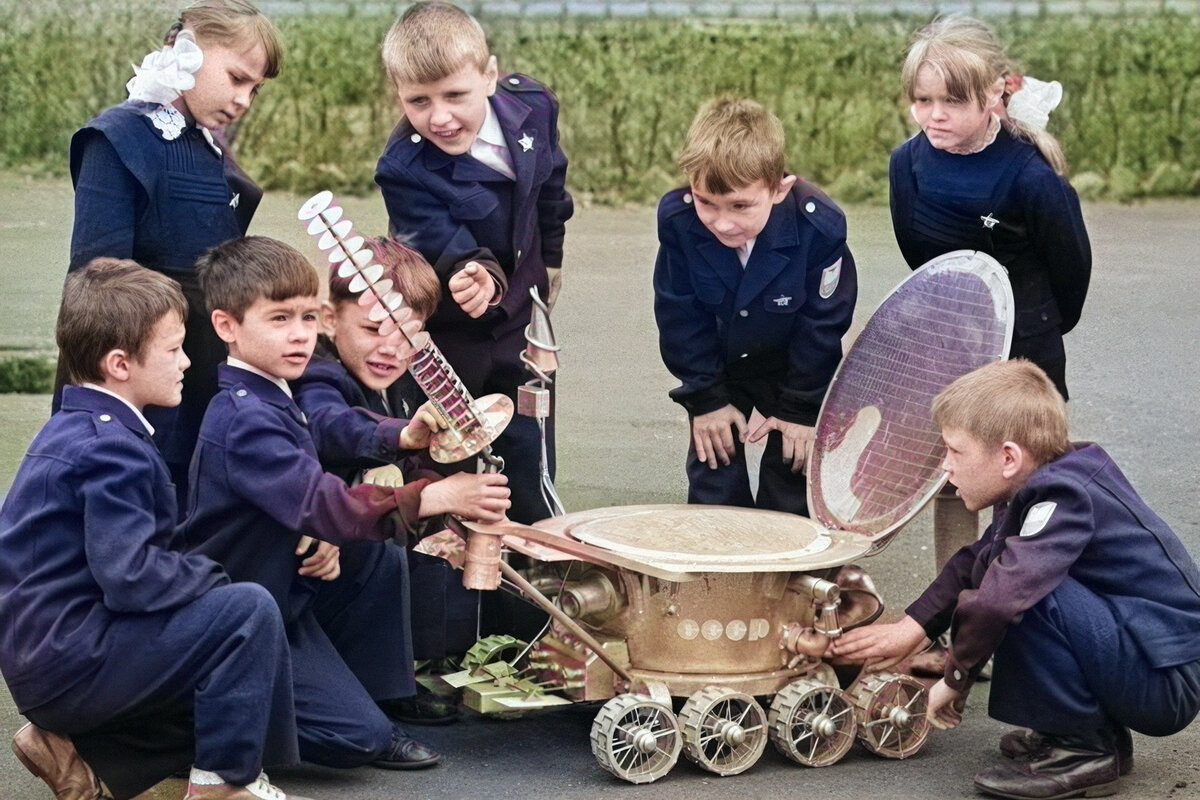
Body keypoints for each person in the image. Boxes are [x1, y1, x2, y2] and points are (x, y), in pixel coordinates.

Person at [179, 236, 506, 772]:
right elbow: (325, 461)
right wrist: (434, 493)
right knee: (355, 738)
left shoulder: (273, 392)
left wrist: (400, 444)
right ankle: (175, 719)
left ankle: (376, 695)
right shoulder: (247, 414)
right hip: (244, 617)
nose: (300, 335)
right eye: (280, 319)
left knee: (372, 553)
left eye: (308, 318)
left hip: (283, 584)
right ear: (226, 327)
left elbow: (313, 480)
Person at [0, 260, 301, 800]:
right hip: (70, 662)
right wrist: (212, 580)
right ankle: (223, 787)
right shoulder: (112, 448)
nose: (188, 362)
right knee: (246, 612)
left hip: (45, 656)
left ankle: (80, 757)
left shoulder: (73, 428)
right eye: (174, 350)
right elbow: (130, 577)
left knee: (210, 639)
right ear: (120, 364)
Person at [831, 360, 1200, 800]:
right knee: (1007, 575)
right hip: (1139, 655)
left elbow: (997, 599)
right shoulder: (1044, 481)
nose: (945, 467)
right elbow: (975, 559)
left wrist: (955, 677)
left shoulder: (1065, 494)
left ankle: (1084, 751)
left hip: (1165, 678)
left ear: (1008, 457)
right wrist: (910, 629)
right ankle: (1084, 733)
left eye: (955, 451)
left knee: (1020, 592)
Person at [62, 0, 283, 502]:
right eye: (236, 77)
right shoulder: (118, 138)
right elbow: (97, 283)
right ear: (183, 48)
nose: (245, 99)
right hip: (132, 372)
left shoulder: (210, 152)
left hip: (202, 371)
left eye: (255, 89)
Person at [294, 236, 510, 723]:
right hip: (315, 550)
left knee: (438, 531)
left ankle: (419, 661)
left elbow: (410, 465)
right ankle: (384, 689)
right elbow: (333, 427)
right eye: (372, 328)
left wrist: (446, 496)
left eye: (408, 336)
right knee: (394, 542)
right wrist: (408, 452)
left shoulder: (392, 377)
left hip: (354, 531)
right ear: (330, 319)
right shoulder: (320, 375)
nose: (390, 349)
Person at [375, 0, 574, 525]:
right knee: (449, 467)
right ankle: (454, 595)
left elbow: (551, 184)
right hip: (449, 338)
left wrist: (550, 259)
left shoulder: (533, 105)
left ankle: (532, 588)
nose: (439, 116)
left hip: (522, 329)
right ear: (398, 94)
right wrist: (477, 276)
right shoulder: (402, 166)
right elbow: (443, 244)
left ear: (489, 75)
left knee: (530, 466)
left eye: (455, 95)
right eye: (418, 101)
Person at [652, 97, 857, 514]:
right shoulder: (680, 222)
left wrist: (802, 408)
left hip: (793, 368)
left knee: (794, 470)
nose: (722, 222)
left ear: (779, 189)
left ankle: (791, 573)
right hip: (720, 365)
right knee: (714, 468)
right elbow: (679, 316)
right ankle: (718, 571)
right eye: (707, 201)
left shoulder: (819, 227)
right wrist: (705, 399)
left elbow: (823, 323)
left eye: (741, 206)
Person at [890, 15, 1090, 402]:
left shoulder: (1032, 177)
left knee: (1021, 459)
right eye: (923, 100)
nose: (935, 115)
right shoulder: (905, 164)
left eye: (953, 100)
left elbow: (1071, 271)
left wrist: (1034, 324)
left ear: (993, 92)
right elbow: (920, 258)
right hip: (945, 344)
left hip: (1025, 353)